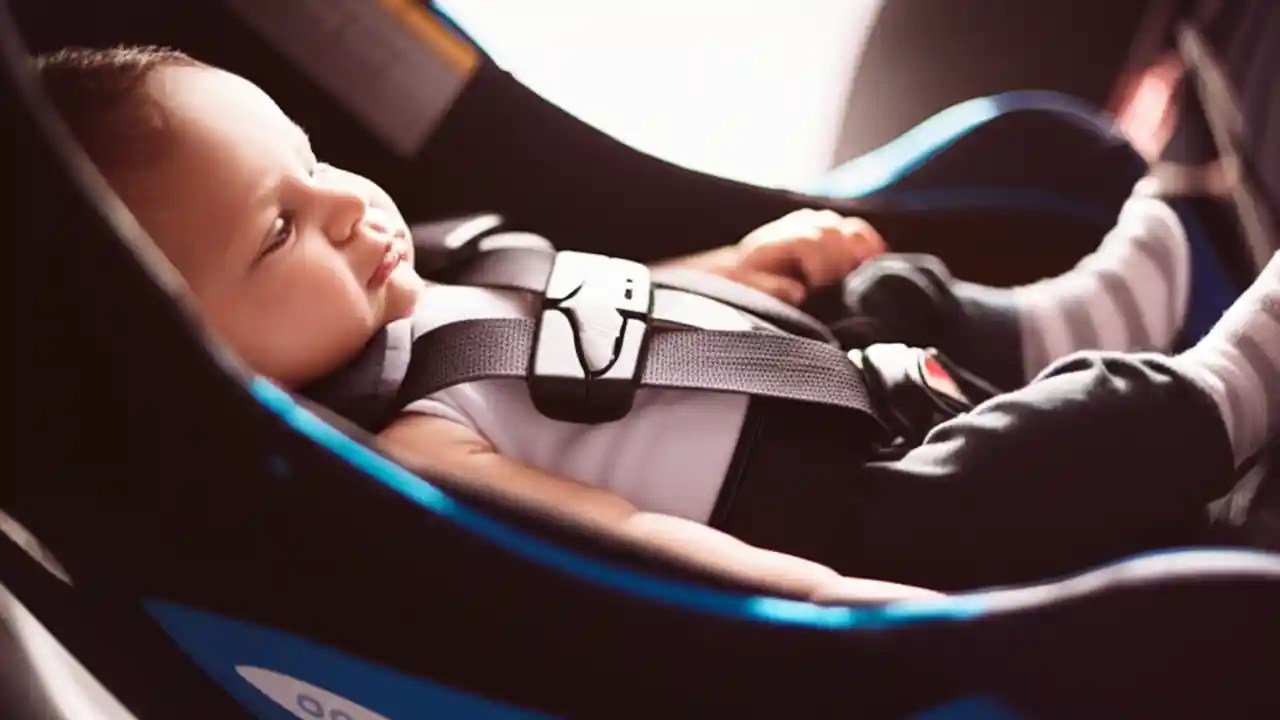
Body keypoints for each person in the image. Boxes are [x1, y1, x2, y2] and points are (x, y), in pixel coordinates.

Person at [33, 45, 1278, 600]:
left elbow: (608, 311)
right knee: (1016, 465)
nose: (348, 209)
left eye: (314, 165)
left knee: (889, 289)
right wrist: (798, 590)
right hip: (852, 510)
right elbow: (614, 533)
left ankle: (1080, 316)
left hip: (830, 371)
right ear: (195, 362)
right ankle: (1226, 389)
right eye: (276, 232)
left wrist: (745, 260)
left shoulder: (450, 254)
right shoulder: (409, 443)